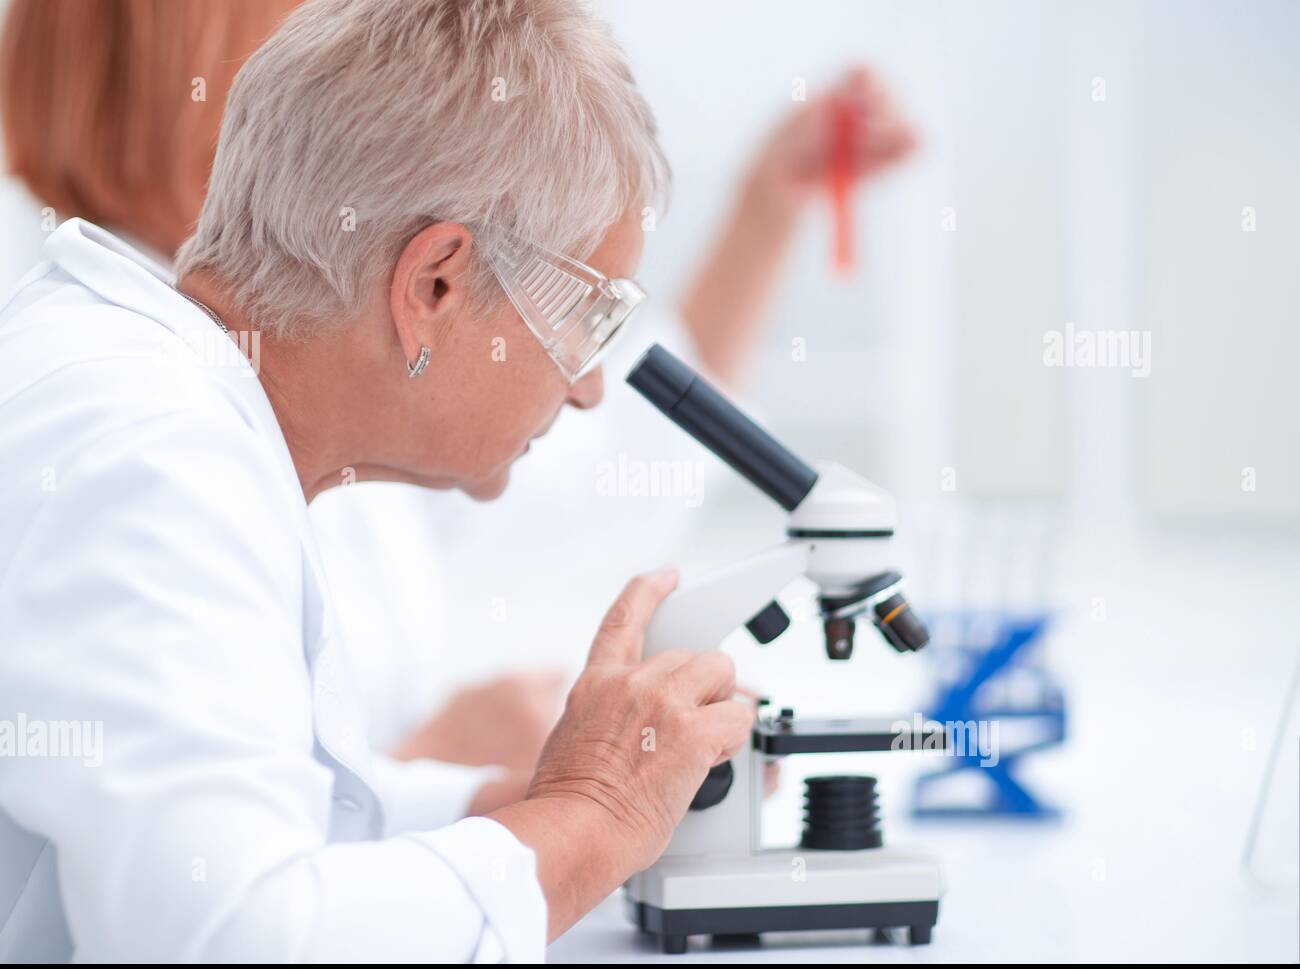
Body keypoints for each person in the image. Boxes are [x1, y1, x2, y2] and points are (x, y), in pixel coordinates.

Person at [0, 0, 917, 777]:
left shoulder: (312, 364)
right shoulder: (143, 421)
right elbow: (213, 908)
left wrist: (765, 210)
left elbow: (582, 446)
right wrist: (439, 769)